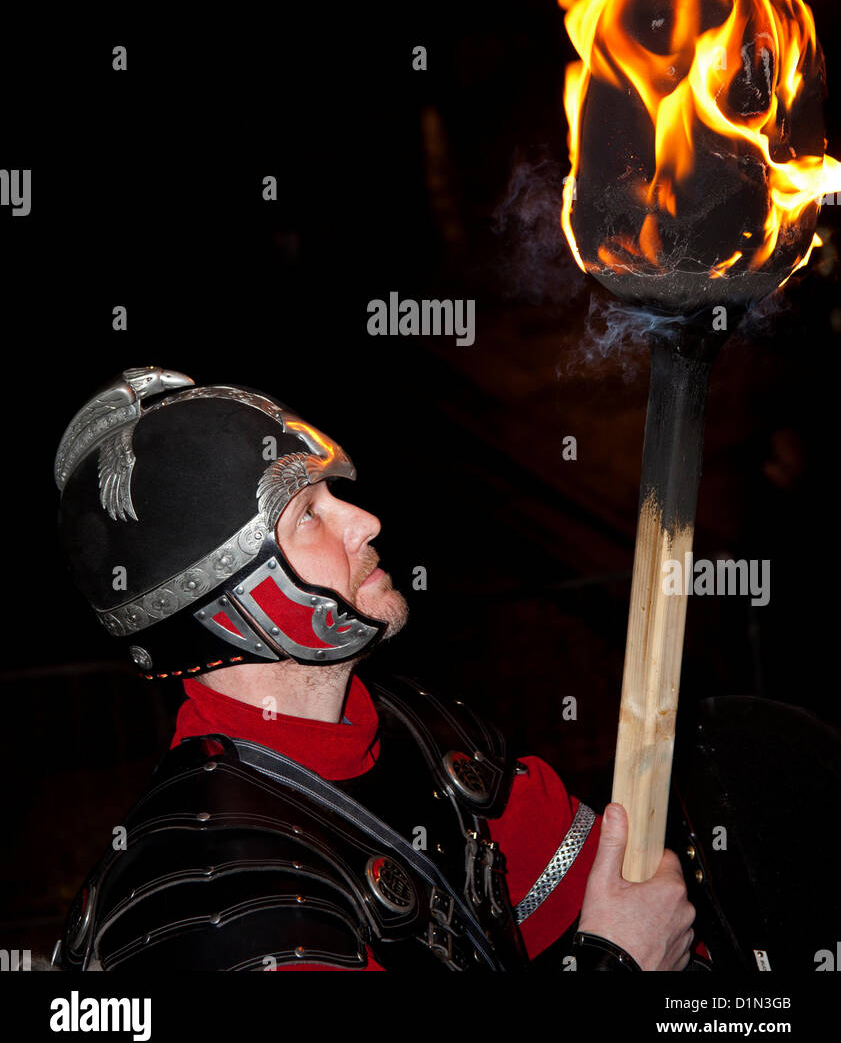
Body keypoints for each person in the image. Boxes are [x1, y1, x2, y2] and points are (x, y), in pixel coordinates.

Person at [52, 367, 701, 972]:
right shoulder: (212, 898)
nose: (365, 521)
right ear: (228, 599)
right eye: (307, 513)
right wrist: (619, 963)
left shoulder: (431, 735)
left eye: (332, 495)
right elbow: (628, 942)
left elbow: (635, 905)